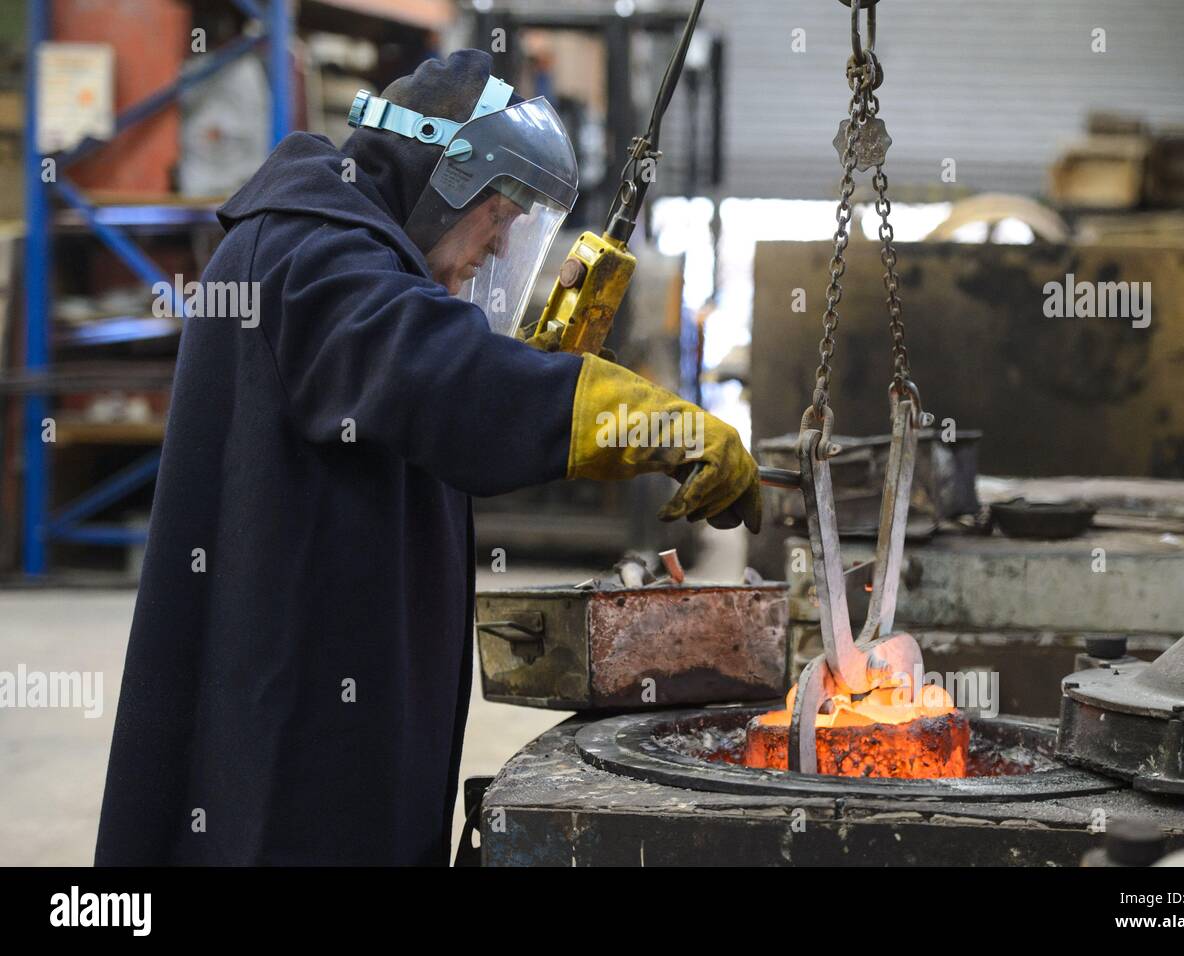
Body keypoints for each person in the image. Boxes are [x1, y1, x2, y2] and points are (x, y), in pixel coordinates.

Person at [94, 49, 760, 866]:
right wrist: (648, 423)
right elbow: (438, 376)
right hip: (290, 702)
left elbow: (416, 384)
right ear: (446, 180)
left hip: (319, 659)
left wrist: (535, 376)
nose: (499, 245)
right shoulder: (311, 254)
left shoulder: (330, 247)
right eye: (501, 215)